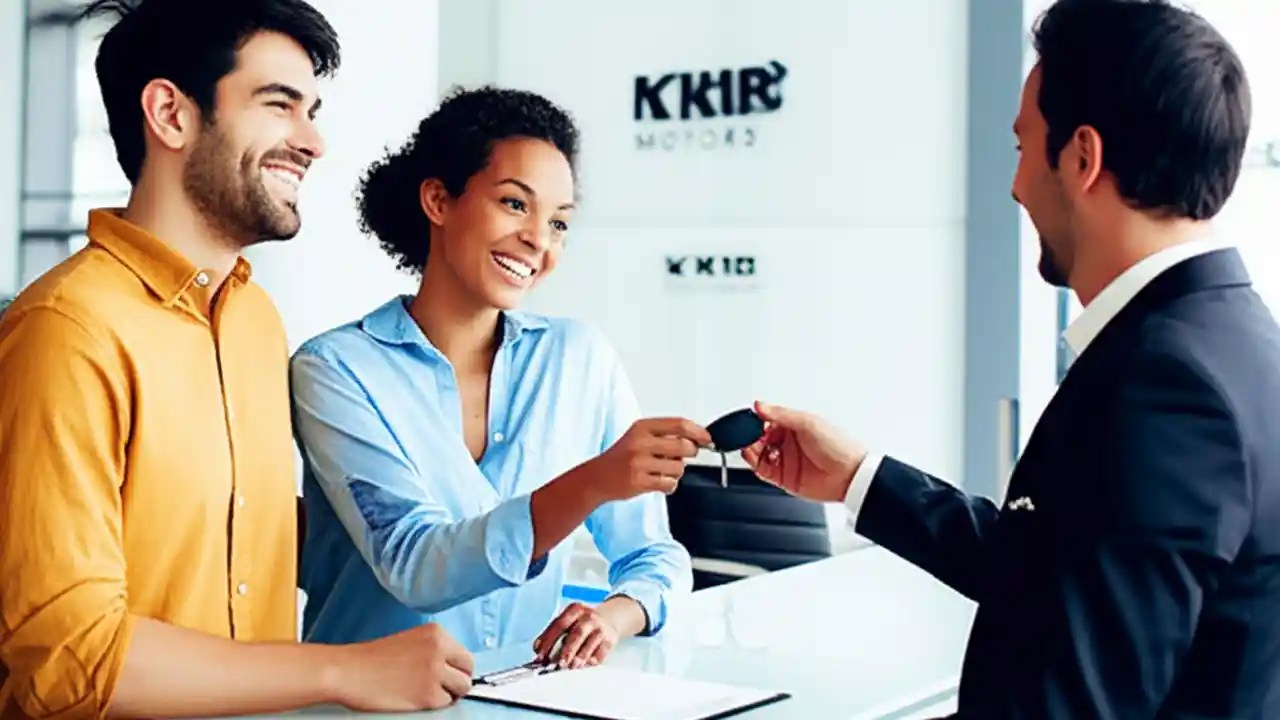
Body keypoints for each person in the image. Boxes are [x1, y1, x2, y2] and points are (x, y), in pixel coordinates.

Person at [743, 1, 1277, 717]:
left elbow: (1074, 695)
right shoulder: (1236, 342)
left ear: (1082, 158)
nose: (1016, 185)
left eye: (1023, 148)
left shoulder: (1165, 384)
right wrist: (860, 478)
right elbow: (1063, 571)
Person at [0, 1, 474, 717]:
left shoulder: (253, 320)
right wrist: (341, 670)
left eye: (312, 109)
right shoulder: (66, 330)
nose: (313, 140)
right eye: (280, 104)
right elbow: (71, 657)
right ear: (170, 113)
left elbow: (224, 534)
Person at [290, 86, 708, 669]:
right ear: (439, 200)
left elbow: (654, 556)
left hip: (521, 702)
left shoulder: (579, 359)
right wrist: (592, 482)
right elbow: (414, 563)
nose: (539, 239)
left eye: (560, 222)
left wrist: (610, 617)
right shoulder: (334, 370)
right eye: (515, 204)